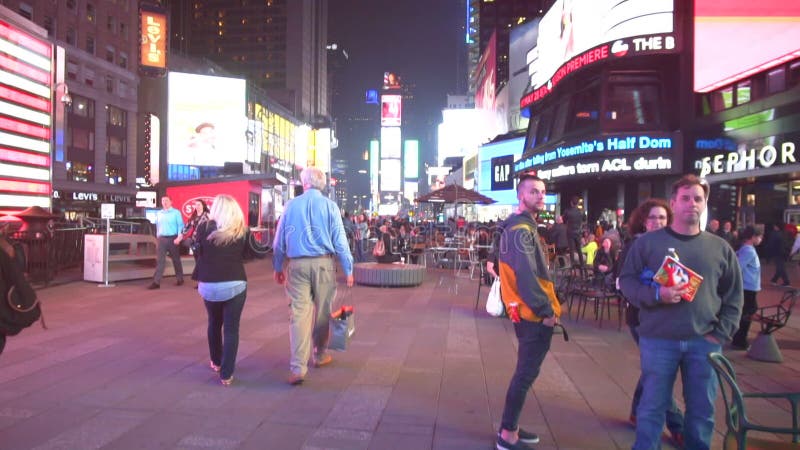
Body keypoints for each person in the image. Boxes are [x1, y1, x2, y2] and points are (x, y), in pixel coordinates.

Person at [619, 174, 743, 450]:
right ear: (674, 203)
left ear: (705, 203)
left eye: (697, 198)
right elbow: (626, 282)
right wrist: (655, 294)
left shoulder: (720, 248)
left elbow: (734, 295)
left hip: (704, 342)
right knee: (652, 407)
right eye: (685, 198)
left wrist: (721, 334)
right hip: (658, 339)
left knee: (701, 412)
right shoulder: (647, 243)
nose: (692, 204)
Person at [272, 167, 354, 386]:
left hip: (296, 265)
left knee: (298, 314)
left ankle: (298, 367)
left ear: (303, 182)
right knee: (323, 313)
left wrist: (278, 266)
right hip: (324, 264)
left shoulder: (291, 206)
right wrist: (348, 268)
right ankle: (319, 354)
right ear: (323, 184)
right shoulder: (330, 206)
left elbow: (279, 240)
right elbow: (340, 240)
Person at [495, 174, 560, 450]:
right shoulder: (521, 230)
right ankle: (507, 435)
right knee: (524, 375)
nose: (540, 196)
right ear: (521, 195)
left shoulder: (519, 227)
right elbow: (526, 276)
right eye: (534, 192)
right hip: (533, 314)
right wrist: (546, 311)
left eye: (543, 192)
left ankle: (511, 427)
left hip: (523, 311)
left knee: (524, 373)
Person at [618, 198, 684, 446]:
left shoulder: (672, 245)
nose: (658, 222)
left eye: (663, 218)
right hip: (641, 318)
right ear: (643, 222)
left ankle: (636, 411)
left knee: (652, 370)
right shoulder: (635, 246)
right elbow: (621, 281)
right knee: (659, 373)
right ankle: (678, 425)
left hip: (668, 318)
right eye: (653, 218)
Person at [193, 195, 254, 386]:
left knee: (214, 322)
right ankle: (226, 374)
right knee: (231, 328)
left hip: (208, 284)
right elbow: (249, 254)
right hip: (235, 283)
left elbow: (198, 250)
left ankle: (216, 361)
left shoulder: (203, 228)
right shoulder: (242, 231)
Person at [731, 225, 763, 350]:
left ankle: (739, 339)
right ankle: (740, 340)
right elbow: (738, 267)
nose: (761, 239)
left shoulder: (746, 249)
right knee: (747, 313)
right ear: (753, 237)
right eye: (759, 237)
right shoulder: (748, 250)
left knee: (748, 312)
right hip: (748, 287)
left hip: (749, 287)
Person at [148, 195, 185, 289]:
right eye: (163, 200)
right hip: (162, 239)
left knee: (176, 259)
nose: (164, 202)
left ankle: (180, 278)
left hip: (173, 238)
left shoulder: (176, 213)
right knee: (160, 260)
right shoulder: (159, 213)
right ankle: (156, 282)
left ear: (171, 202)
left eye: (166, 200)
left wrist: (179, 237)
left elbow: (180, 226)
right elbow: (157, 226)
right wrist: (158, 236)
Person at [178, 199, 210, 285]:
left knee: (204, 260)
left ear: (203, 205)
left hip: (205, 241)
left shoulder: (208, 215)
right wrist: (181, 235)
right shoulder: (193, 216)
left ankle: (206, 279)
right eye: (196, 205)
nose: (197, 206)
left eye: (199, 204)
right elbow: (186, 227)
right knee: (197, 261)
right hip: (195, 242)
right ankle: (200, 281)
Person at [563, 195, 585, 270]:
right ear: (577, 203)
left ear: (571, 203)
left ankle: (572, 265)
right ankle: (582, 264)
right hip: (578, 232)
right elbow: (584, 220)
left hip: (570, 232)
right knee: (579, 249)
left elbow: (564, 220)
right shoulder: (581, 212)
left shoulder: (567, 211)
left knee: (571, 249)